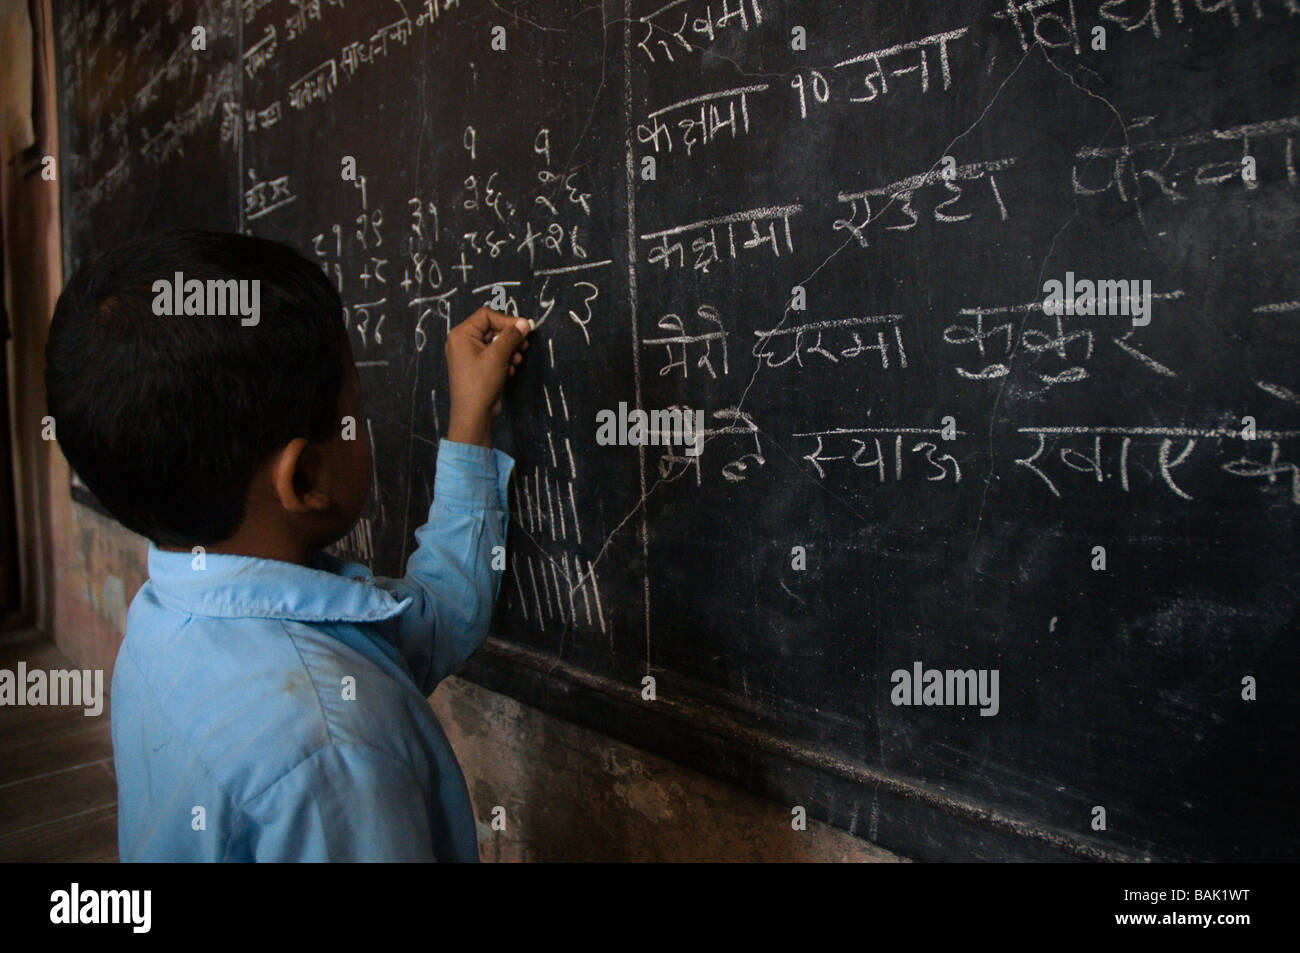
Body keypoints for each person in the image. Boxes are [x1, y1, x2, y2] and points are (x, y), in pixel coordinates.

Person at [44, 229, 531, 860]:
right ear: (303, 479)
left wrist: (471, 424)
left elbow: (433, 619)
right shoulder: (335, 758)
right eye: (358, 412)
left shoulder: (169, 622)